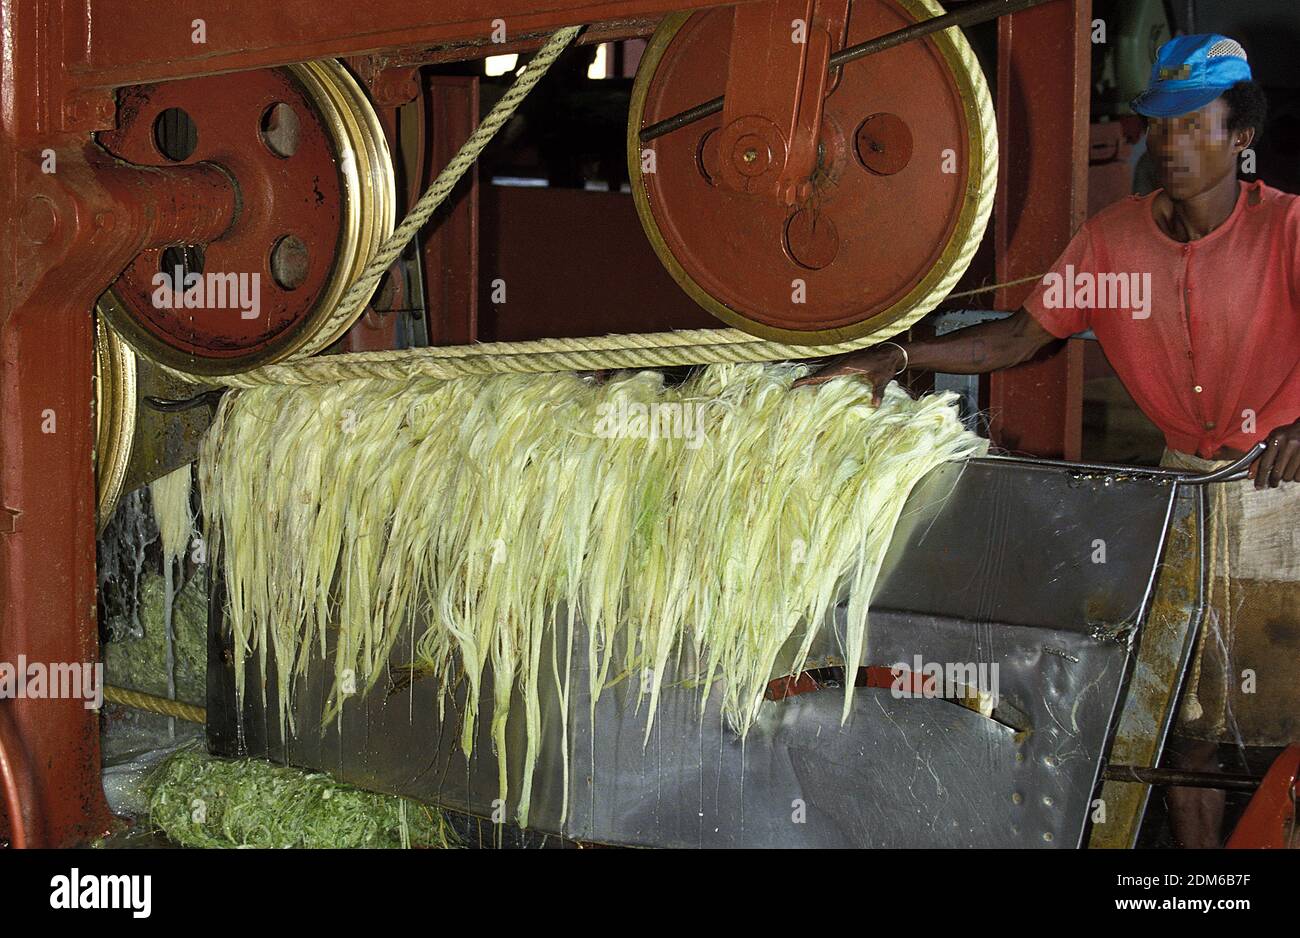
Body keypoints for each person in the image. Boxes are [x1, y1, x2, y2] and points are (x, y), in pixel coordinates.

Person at [797, 34, 1300, 848]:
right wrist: (898, 355)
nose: (1171, 144)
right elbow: (1017, 339)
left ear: (1241, 136)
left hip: (1285, 498)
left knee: (1282, 710)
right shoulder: (1112, 243)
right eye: (1161, 125)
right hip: (1185, 494)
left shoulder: (1289, 232)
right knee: (1186, 719)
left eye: (1194, 124)